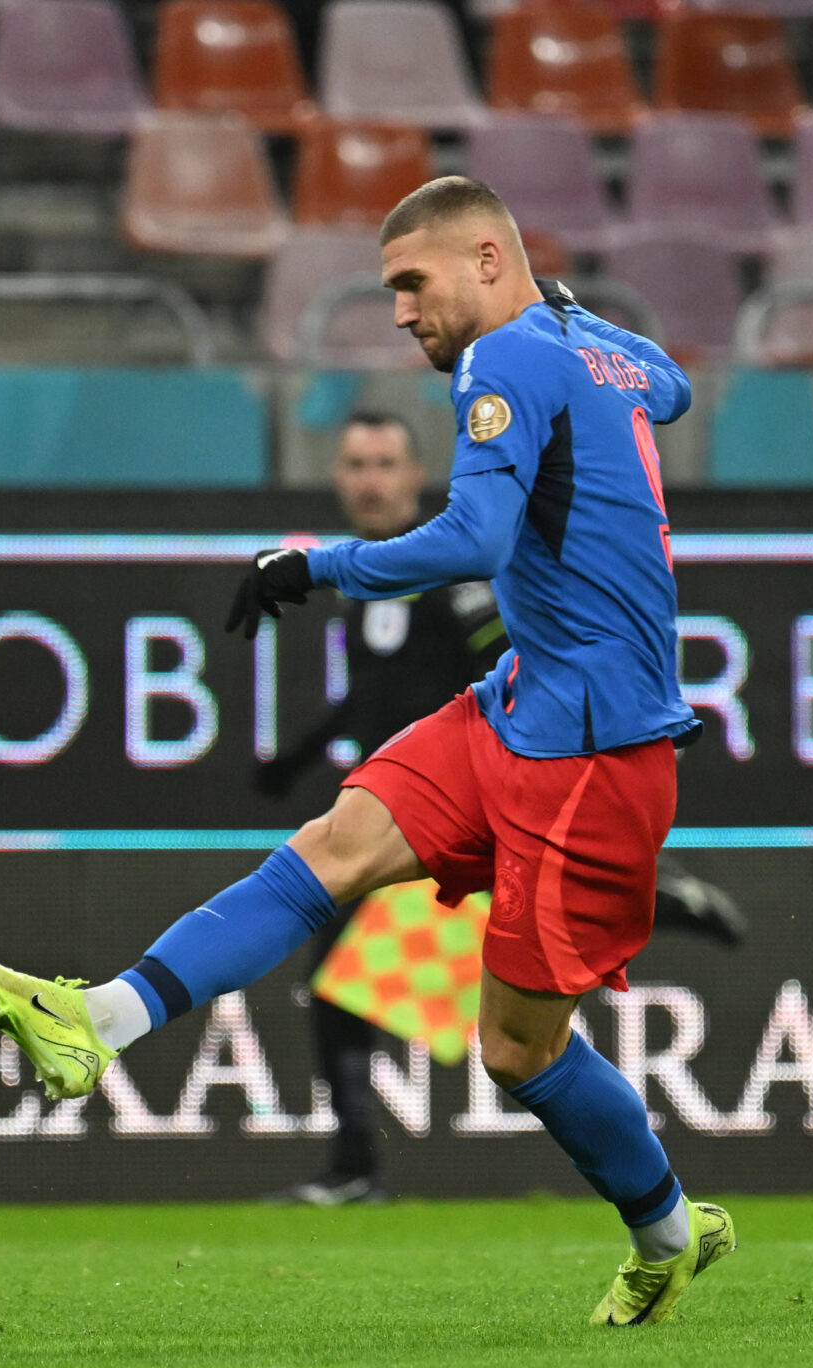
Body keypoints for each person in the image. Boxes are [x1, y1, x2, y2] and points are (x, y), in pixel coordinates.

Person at [0, 176, 736, 1326]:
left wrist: (311, 564)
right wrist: (572, 311)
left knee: (517, 1052)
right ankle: (100, 1020)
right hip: (518, 704)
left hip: (594, 755)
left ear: (483, 257)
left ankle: (670, 1230)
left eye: (414, 284)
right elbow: (665, 385)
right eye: (391, 293)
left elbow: (473, 536)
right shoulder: (581, 342)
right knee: (330, 845)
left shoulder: (505, 358)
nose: (404, 312)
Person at [258, 412, 748, 1207]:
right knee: (348, 987)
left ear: (417, 476)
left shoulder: (453, 572)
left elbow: (514, 660)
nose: (370, 479)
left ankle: (651, 890)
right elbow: (375, 698)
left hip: (473, 804)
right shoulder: (382, 577)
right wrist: (299, 759)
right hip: (408, 810)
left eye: (385, 462)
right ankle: (353, 1169)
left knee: (479, 996)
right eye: (355, 464)